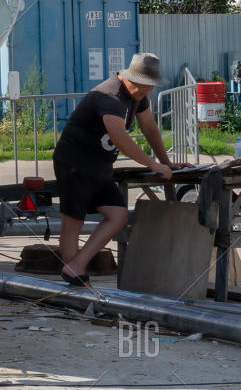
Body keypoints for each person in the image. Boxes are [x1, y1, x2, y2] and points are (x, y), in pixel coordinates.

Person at [52, 52, 180, 286]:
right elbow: (120, 138)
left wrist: (167, 161)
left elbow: (150, 128)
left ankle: (76, 267)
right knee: (73, 222)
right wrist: (153, 164)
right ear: (129, 78)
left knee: (118, 215)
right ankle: (76, 278)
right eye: (145, 86)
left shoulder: (138, 95)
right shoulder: (109, 96)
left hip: (100, 166)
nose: (148, 92)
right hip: (74, 164)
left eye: (152, 87)